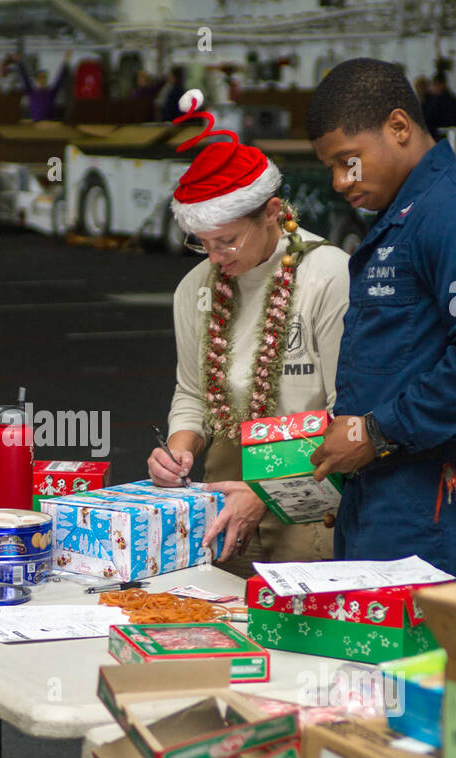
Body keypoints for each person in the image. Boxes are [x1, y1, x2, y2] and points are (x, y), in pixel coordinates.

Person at [305, 58, 456, 579]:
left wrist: (376, 432)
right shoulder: (407, 213)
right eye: (331, 168)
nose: (341, 181)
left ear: (400, 127)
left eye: (349, 160)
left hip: (435, 508)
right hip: (387, 500)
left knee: (429, 663)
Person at [148, 89, 350, 576]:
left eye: (228, 241)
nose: (216, 258)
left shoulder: (328, 275)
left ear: (273, 212)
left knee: (297, 635)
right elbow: (193, 391)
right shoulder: (195, 290)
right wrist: (179, 451)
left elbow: (345, 412)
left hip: (310, 496)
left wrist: (265, 492)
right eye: (203, 244)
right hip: (223, 499)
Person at [8, 51, 71, 122]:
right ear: (37, 80)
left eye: (44, 77)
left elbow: (60, 79)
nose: (42, 80)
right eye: (41, 77)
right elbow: (24, 78)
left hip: (50, 124)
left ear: (47, 79)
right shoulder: (32, 92)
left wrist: (66, 61)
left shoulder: (51, 92)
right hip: (36, 125)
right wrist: (19, 62)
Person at [422, 71, 456, 139]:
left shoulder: (434, 102)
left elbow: (428, 118)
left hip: (436, 136)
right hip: (450, 137)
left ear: (439, 85)